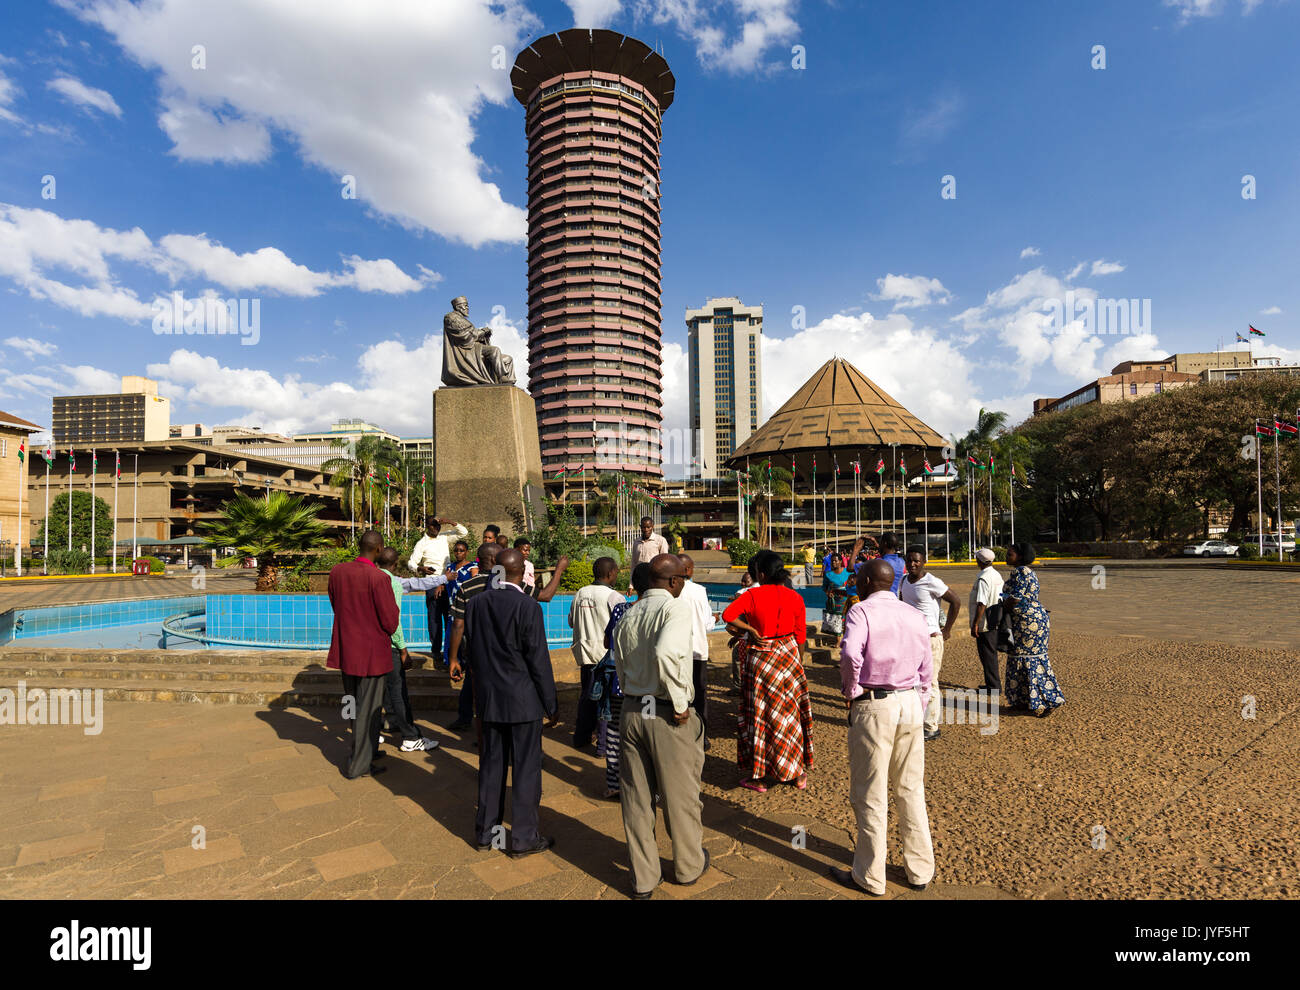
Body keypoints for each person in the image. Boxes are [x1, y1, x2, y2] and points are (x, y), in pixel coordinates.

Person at [828, 558, 934, 896]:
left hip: (875, 705)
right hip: (909, 704)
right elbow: (926, 669)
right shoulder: (913, 614)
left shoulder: (861, 612)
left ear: (869, 581)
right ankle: (919, 871)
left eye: (859, 577)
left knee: (870, 793)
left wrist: (851, 691)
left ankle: (871, 876)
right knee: (911, 789)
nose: (855, 581)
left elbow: (849, 654)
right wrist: (919, 705)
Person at [613, 554, 709, 898]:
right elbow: (668, 652)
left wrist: (632, 690)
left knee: (636, 799)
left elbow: (619, 662)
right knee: (680, 796)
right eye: (682, 577)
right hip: (666, 713)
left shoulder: (629, 612)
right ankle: (687, 867)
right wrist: (681, 702)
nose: (684, 582)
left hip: (633, 709)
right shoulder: (674, 608)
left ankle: (643, 878)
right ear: (672, 581)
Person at [464, 548, 558, 857]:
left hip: (490, 701)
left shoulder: (475, 604)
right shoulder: (527, 606)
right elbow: (538, 661)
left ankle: (485, 833)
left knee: (491, 767)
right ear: (521, 573)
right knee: (526, 770)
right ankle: (522, 839)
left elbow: (473, 654)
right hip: (523, 701)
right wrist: (551, 704)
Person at [446, 545, 569, 732]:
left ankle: (476, 729)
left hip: (479, 653)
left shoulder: (468, 586)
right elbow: (545, 596)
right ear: (498, 561)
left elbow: (458, 624)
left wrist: (454, 658)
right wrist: (559, 571)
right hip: (510, 656)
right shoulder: (513, 584)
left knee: (479, 694)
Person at [722, 550, 813, 792]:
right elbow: (801, 635)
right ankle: (797, 772)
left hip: (761, 660)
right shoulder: (794, 597)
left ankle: (759, 776)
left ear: (761, 573)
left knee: (761, 716)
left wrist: (749, 630)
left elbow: (728, 616)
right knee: (789, 715)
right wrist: (797, 662)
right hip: (789, 656)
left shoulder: (753, 595)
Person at [326, 530, 401, 779]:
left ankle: (362, 751)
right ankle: (359, 764)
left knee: (352, 704)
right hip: (371, 655)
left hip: (347, 650)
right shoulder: (379, 578)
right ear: (378, 549)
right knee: (368, 708)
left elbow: (336, 603)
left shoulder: (338, 572)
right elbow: (390, 622)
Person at [596, 562, 651, 799]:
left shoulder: (621, 609)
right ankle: (645, 786)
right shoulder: (661, 610)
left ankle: (614, 784)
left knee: (616, 735)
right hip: (649, 687)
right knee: (646, 737)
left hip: (621, 683)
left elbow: (608, 642)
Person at [377, 547, 439, 752]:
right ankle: (410, 737)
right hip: (389, 646)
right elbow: (392, 621)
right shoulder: (392, 582)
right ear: (395, 565)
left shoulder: (371, 578)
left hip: (371, 646)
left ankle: (385, 724)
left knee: (380, 688)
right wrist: (403, 649)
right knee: (398, 691)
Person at [899, 545, 961, 741]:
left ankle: (931, 726)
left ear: (924, 561)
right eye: (909, 560)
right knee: (913, 682)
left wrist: (947, 629)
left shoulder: (931, 582)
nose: (913, 564)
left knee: (930, 682)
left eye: (916, 560)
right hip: (912, 640)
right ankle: (918, 719)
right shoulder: (903, 581)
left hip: (931, 639)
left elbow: (956, 601)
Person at [568, 556, 625, 749]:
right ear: (610, 573)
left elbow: (571, 621)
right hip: (606, 657)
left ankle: (581, 737)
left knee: (587, 695)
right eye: (616, 572)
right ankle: (603, 744)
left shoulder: (580, 593)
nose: (617, 575)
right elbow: (622, 627)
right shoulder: (615, 597)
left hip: (585, 654)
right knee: (605, 701)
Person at [1002, 543, 1065, 717]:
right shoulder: (1030, 572)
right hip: (1036, 619)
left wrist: (1001, 609)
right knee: (1029, 658)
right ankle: (1024, 701)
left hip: (1026, 622)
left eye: (1010, 554)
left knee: (1026, 659)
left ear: (1020, 557)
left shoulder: (1020, 572)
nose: (1007, 556)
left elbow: (1015, 598)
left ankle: (1049, 700)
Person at [407, 517, 467, 664]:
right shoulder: (421, 543)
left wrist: (450, 521)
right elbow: (411, 562)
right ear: (427, 526)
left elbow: (463, 533)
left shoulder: (444, 537)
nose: (435, 528)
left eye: (437, 525)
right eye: (432, 525)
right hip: (432, 581)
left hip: (448, 580)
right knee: (434, 618)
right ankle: (436, 652)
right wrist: (420, 568)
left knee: (450, 616)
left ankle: (451, 650)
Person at [677, 554, 717, 752]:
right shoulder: (699, 591)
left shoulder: (669, 590)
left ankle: (679, 735)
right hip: (697, 651)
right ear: (689, 570)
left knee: (679, 694)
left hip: (676, 653)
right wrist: (714, 619)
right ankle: (702, 737)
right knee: (700, 696)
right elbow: (707, 624)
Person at [968, 548, 1005, 692]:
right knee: (990, 653)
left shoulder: (983, 578)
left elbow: (981, 602)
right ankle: (993, 684)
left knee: (987, 654)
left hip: (985, 621)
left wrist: (975, 624)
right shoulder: (996, 574)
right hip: (995, 617)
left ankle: (993, 686)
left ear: (980, 561)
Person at [821, 552, 857, 652]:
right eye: (832, 561)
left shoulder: (848, 573)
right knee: (836, 620)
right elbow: (824, 588)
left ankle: (847, 640)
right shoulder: (828, 575)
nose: (833, 563)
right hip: (834, 601)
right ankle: (838, 641)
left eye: (836, 561)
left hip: (847, 600)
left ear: (840, 561)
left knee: (847, 620)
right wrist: (828, 593)